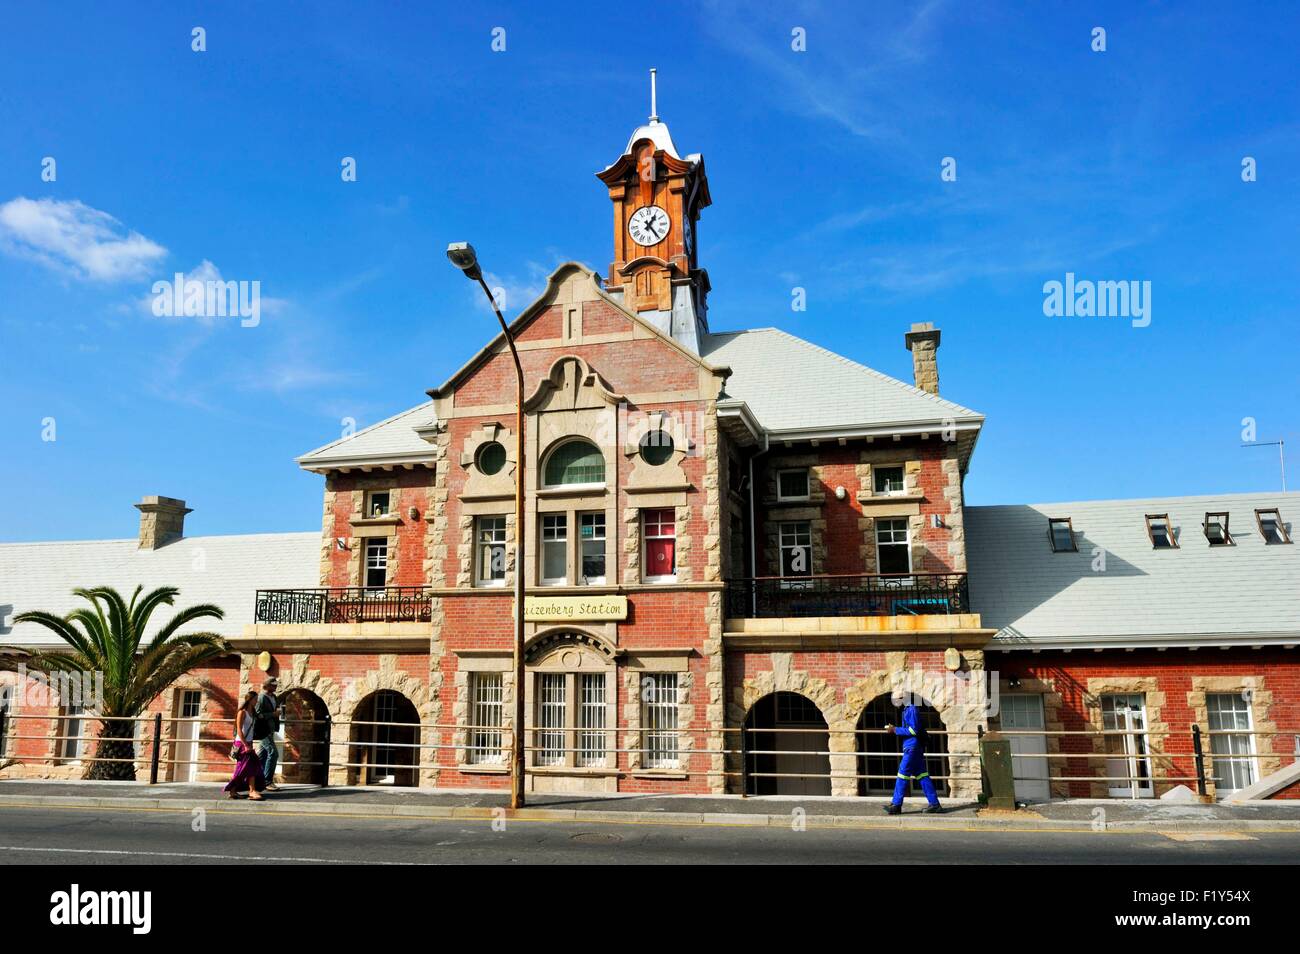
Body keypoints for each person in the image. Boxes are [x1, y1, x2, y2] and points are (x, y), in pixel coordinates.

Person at [883, 697, 943, 815]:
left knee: (902, 774)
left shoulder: (911, 709)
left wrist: (895, 729)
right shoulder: (908, 709)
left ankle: (896, 805)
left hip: (912, 748)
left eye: (896, 698)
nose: (894, 701)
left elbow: (913, 730)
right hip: (914, 747)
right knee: (922, 775)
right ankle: (935, 804)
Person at [224, 691, 267, 800]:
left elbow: (252, 729)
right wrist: (246, 745)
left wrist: (251, 744)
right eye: (255, 699)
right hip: (241, 744)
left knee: (252, 766)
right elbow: (239, 730)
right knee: (243, 768)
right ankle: (251, 791)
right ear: (250, 699)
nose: (257, 701)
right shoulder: (242, 712)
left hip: (249, 743)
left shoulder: (252, 712)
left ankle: (235, 791)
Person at [253, 678, 282, 791]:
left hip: (270, 730)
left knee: (263, 755)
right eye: (273, 685)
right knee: (273, 753)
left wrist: (276, 715)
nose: (275, 687)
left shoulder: (273, 697)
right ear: (267, 685)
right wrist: (273, 714)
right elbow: (258, 714)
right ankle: (267, 781)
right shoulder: (261, 698)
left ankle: (255, 779)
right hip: (263, 731)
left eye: (276, 685)